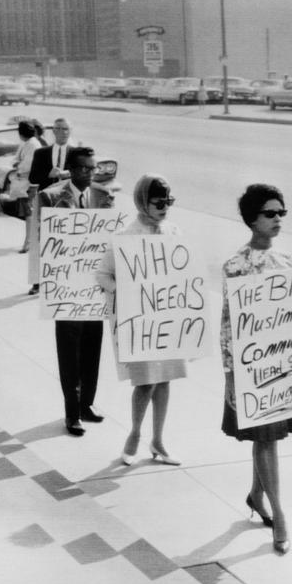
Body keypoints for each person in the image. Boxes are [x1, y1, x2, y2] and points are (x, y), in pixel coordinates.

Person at [219, 184, 292, 555]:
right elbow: (228, 325)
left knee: (267, 438)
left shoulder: (288, 262)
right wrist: (232, 375)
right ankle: (280, 516)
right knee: (265, 439)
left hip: (283, 363)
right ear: (252, 218)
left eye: (282, 212)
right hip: (252, 367)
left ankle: (256, 494)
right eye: (270, 213)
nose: (278, 219)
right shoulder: (236, 266)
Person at [97, 174, 186, 464]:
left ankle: (158, 440)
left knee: (165, 380)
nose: (165, 207)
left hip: (167, 318)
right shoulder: (126, 236)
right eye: (159, 202)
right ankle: (134, 434)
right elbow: (102, 274)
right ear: (143, 202)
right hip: (141, 322)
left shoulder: (173, 231)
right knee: (145, 382)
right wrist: (124, 294)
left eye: (169, 201)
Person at [40, 146, 106, 436]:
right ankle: (71, 412)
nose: (89, 174)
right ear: (70, 169)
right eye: (83, 169)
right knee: (69, 352)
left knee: (93, 346)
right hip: (66, 286)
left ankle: (86, 404)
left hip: (94, 287)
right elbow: (45, 244)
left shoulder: (103, 196)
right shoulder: (51, 197)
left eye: (93, 168)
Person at [27, 117, 73, 294]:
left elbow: (83, 177)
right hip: (45, 202)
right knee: (41, 241)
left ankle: (62, 280)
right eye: (59, 129)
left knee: (66, 243)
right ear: (53, 131)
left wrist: (65, 174)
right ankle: (38, 282)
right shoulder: (41, 153)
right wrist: (49, 174)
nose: (62, 132)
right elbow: (33, 178)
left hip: (68, 203)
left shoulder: (76, 153)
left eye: (66, 129)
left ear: (71, 131)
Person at [6, 121, 42, 252]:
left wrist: (18, 166)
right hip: (25, 182)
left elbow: (26, 165)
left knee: (29, 214)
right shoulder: (27, 143)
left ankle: (29, 242)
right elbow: (16, 160)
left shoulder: (32, 144)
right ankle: (29, 241)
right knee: (28, 213)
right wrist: (17, 164)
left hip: (30, 184)